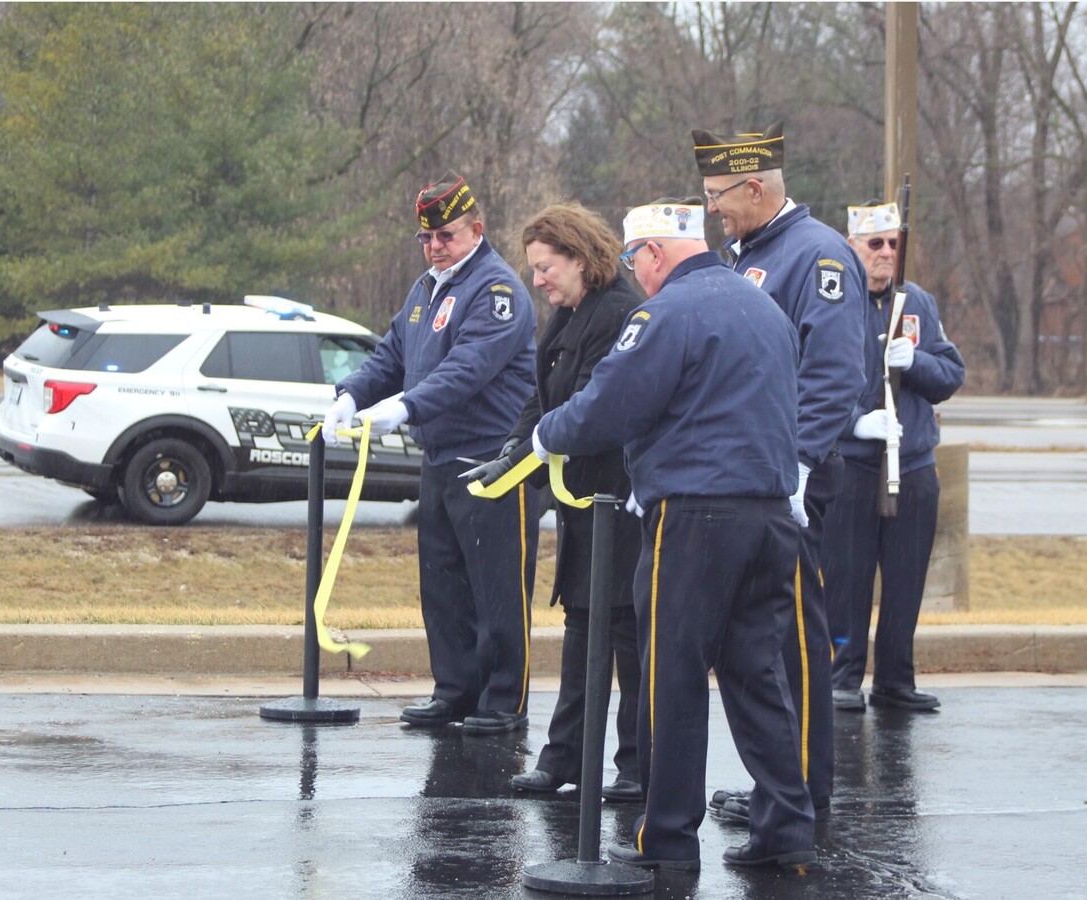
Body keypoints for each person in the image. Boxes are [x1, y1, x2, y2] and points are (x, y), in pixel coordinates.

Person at [533, 199, 815, 871]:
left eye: (635, 259)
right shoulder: (764, 308)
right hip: (771, 515)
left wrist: (548, 434)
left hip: (694, 520)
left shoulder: (664, 314)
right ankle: (786, 828)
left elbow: (610, 404)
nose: (634, 272)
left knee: (671, 678)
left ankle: (665, 840)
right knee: (757, 674)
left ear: (655, 253)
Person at [323, 170, 539, 735]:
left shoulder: (495, 291)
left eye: (446, 235)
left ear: (476, 230)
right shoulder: (427, 288)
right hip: (440, 456)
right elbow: (390, 356)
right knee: (443, 586)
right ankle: (455, 690)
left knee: (495, 588)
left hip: (492, 459)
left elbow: (467, 369)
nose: (435, 246)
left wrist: (406, 407)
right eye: (426, 237)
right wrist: (351, 395)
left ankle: (503, 701)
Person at [692, 125, 866, 817]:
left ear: (756, 188)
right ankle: (778, 784)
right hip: (750, 480)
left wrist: (798, 464)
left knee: (791, 642)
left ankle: (803, 792)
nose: (712, 210)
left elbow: (834, 373)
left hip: (789, 482)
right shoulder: (751, 255)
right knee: (756, 642)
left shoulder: (817, 254)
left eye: (719, 196)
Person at [462, 202, 644, 801]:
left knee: (626, 633)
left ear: (580, 257)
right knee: (582, 628)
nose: (537, 280)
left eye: (545, 268)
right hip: (581, 501)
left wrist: (530, 451)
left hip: (618, 499)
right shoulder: (569, 312)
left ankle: (637, 765)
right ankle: (564, 758)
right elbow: (542, 397)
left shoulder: (617, 312)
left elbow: (590, 405)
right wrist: (512, 448)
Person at [826, 200, 966, 712]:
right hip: (853, 464)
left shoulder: (918, 303)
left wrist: (918, 361)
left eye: (893, 243)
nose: (886, 252)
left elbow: (951, 374)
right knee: (846, 582)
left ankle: (894, 679)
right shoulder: (833, 302)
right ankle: (841, 674)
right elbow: (811, 381)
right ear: (852, 246)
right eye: (875, 243)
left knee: (906, 580)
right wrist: (853, 423)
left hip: (913, 464)